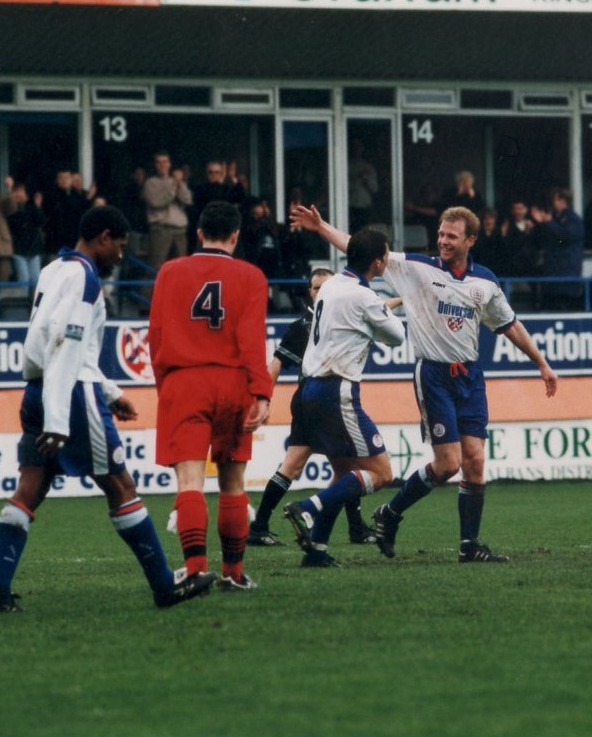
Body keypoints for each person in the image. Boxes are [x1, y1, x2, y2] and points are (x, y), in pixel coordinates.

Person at [0, 205, 215, 613]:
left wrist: (108, 391)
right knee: (121, 486)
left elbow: (55, 342)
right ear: (103, 237)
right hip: (68, 394)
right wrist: (59, 417)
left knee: (30, 487)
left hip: (38, 389)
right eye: (119, 246)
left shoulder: (54, 270)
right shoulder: (85, 278)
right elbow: (65, 345)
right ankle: (164, 585)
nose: (120, 255)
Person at [290, 204, 558, 564]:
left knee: (475, 461)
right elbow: (362, 248)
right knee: (447, 465)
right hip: (433, 375)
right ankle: (390, 512)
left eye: (452, 236)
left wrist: (542, 363)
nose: (443, 241)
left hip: (470, 377)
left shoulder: (486, 282)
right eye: (441, 234)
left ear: (471, 240)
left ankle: (469, 545)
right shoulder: (417, 268)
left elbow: (509, 324)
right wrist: (322, 227)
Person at [148, 201, 273, 591]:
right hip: (233, 384)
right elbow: (252, 342)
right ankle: (233, 574)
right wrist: (261, 393)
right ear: (235, 236)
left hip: (184, 383)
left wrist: (166, 388)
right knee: (233, 483)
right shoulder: (252, 276)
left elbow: (156, 337)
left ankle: (195, 570)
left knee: (189, 481)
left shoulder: (169, 272)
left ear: (199, 233)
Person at [279, 229, 406, 567]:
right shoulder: (364, 296)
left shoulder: (332, 284)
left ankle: (316, 552)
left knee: (343, 473)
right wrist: (382, 316)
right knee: (382, 473)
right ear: (377, 262)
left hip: (309, 388)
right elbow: (396, 336)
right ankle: (308, 508)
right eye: (386, 255)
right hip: (336, 390)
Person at [247, 268, 382, 548]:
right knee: (346, 464)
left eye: (326, 286)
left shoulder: (338, 315)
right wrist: (264, 400)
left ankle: (259, 526)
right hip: (318, 400)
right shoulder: (304, 325)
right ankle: (353, 528)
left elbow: (378, 309)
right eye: (316, 287)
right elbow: (276, 364)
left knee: (298, 465)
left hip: (312, 400)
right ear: (310, 292)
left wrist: (403, 299)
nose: (321, 291)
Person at [530, 188, 585, 311]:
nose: (552, 203)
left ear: (563, 201)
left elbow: (565, 237)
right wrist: (540, 223)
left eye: (555, 200)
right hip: (552, 275)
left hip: (567, 275)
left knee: (566, 308)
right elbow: (545, 239)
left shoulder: (574, 219)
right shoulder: (554, 218)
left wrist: (549, 223)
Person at [142, 151, 192, 269]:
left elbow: (187, 200)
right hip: (161, 230)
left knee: (180, 267)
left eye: (165, 162)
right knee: (156, 267)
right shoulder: (150, 183)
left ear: (169, 164)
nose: (162, 165)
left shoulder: (177, 181)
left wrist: (179, 183)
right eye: (159, 162)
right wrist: (174, 185)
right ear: (155, 165)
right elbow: (157, 202)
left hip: (179, 229)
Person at [189, 160, 244, 253]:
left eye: (217, 172)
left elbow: (240, 198)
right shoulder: (200, 189)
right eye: (210, 172)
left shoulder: (226, 188)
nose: (213, 175)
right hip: (206, 228)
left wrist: (233, 178)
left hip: (224, 228)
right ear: (206, 174)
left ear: (221, 174)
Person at [42, 168, 89, 258]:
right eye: (61, 178)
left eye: (66, 178)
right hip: (55, 244)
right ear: (57, 180)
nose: (64, 180)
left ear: (71, 179)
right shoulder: (51, 197)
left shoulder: (78, 197)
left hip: (73, 243)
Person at [6, 183, 46, 290]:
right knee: (23, 279)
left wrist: (37, 206)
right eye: (17, 192)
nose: (19, 194)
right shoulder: (11, 208)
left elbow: (41, 221)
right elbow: (13, 223)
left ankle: (34, 301)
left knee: (35, 279)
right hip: (18, 250)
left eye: (21, 191)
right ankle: (23, 300)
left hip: (33, 250)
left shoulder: (32, 207)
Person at [347, 137, 379, 232]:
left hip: (365, 207)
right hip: (351, 206)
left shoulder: (368, 167)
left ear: (362, 149)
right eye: (354, 147)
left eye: (359, 147)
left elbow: (374, 189)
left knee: (365, 232)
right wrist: (358, 178)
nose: (356, 149)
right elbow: (343, 188)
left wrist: (366, 180)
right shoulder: (346, 166)